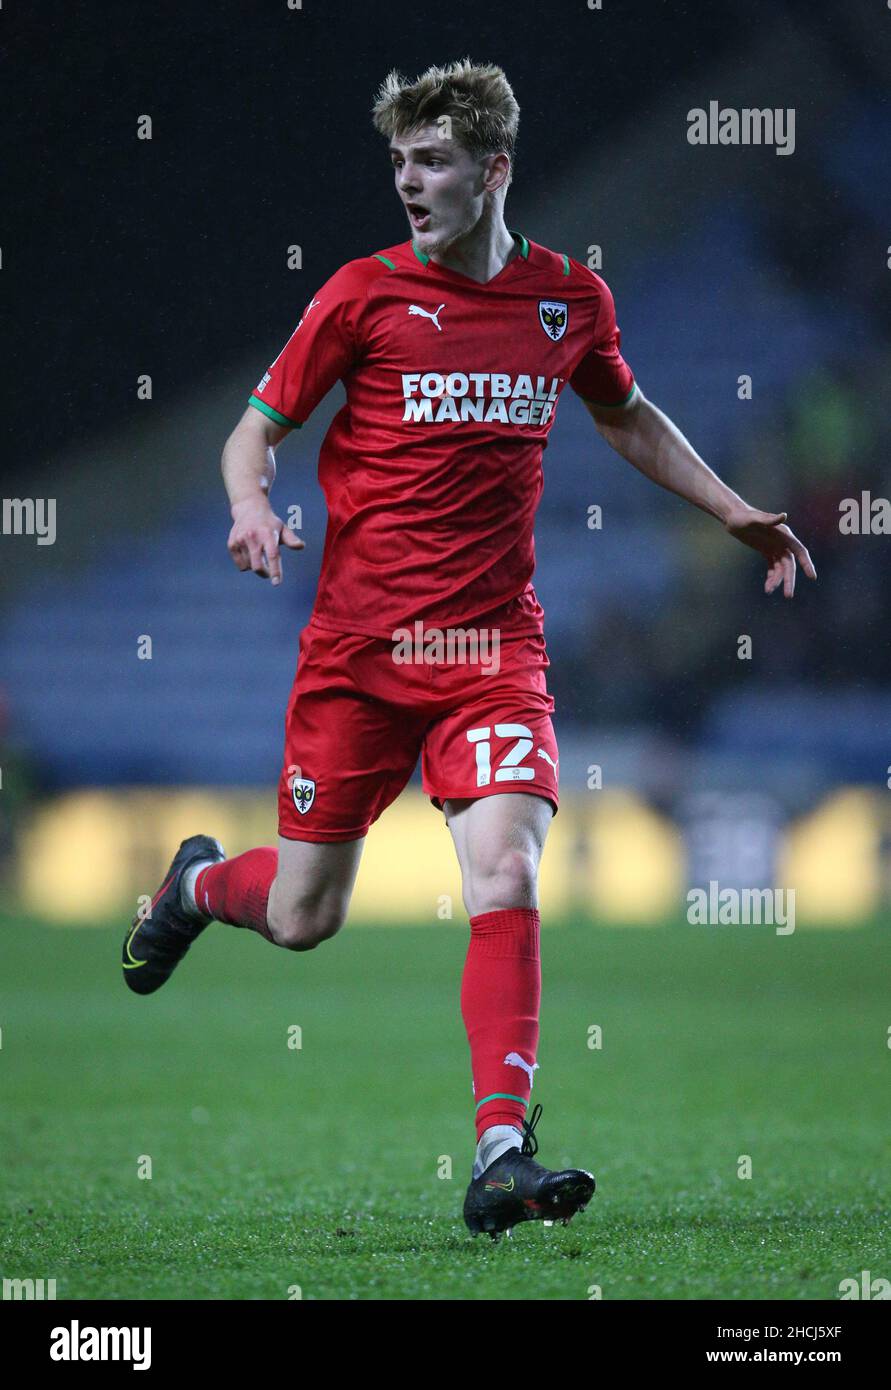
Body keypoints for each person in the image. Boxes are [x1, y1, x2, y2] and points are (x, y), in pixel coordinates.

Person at [122, 58, 815, 1239]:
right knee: (302, 915)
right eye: (399, 161)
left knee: (505, 873)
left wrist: (731, 506)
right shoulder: (359, 296)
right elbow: (253, 435)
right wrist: (249, 504)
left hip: (493, 650)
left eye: (433, 159)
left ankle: (502, 1147)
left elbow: (627, 413)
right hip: (358, 652)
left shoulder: (567, 303)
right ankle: (193, 884)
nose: (409, 180)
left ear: (494, 171)